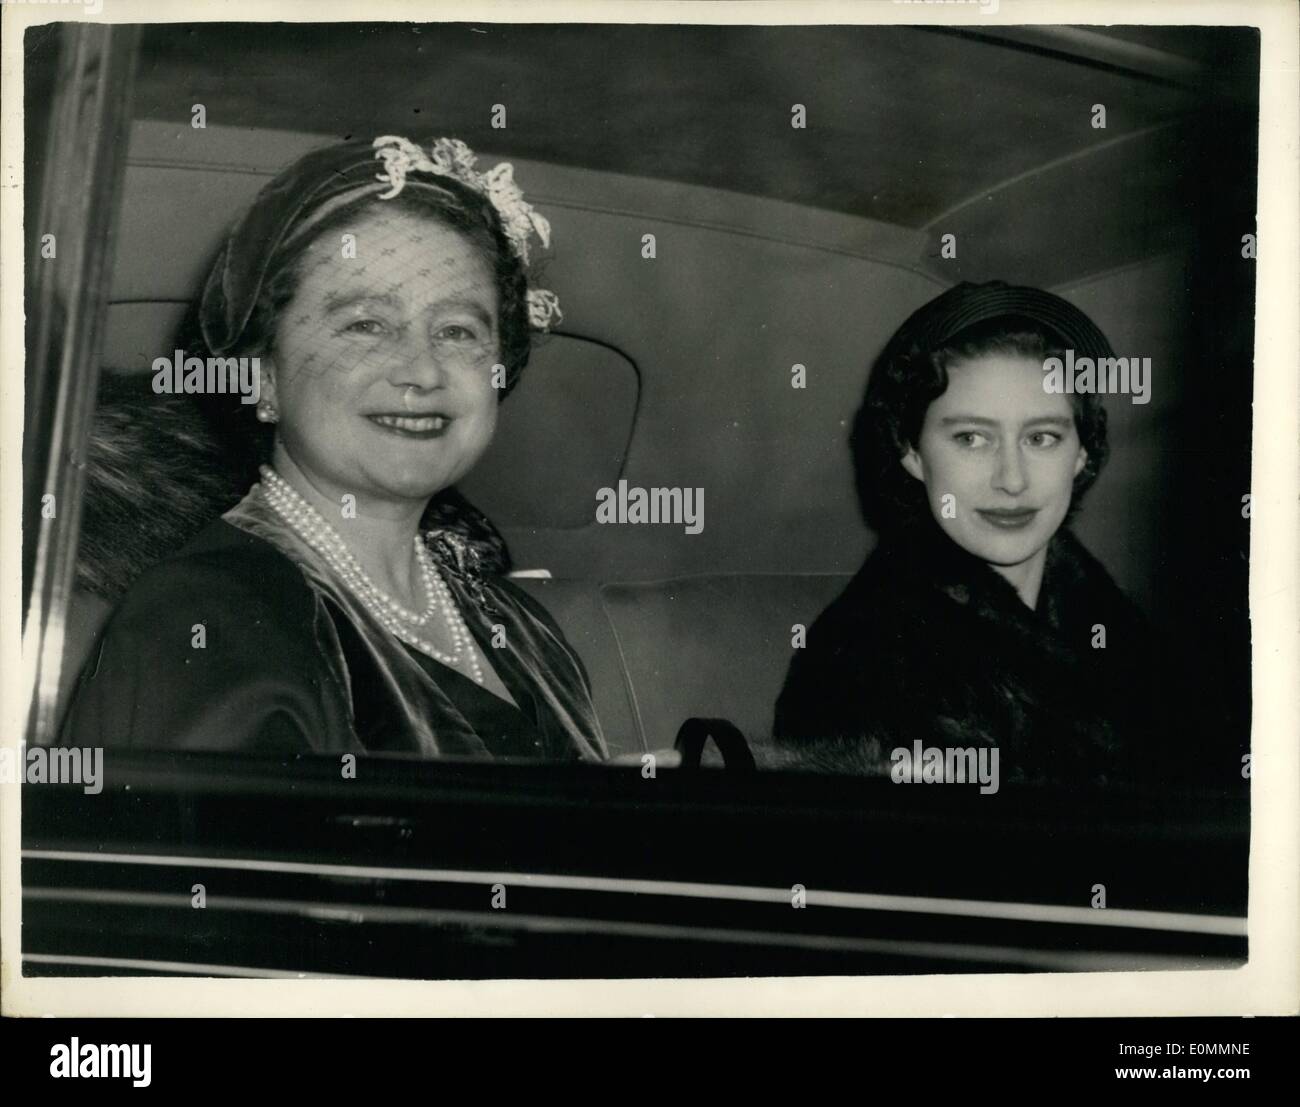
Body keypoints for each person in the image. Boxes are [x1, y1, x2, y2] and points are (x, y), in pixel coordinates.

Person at [62, 135, 606, 761]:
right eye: (365, 325)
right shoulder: (208, 616)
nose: (422, 372)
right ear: (262, 376)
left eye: (458, 331)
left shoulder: (519, 626)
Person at [773, 281, 1164, 787]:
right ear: (911, 452)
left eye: (1042, 437)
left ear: (1082, 453)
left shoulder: (1133, 639)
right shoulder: (856, 663)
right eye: (971, 438)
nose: (1012, 479)